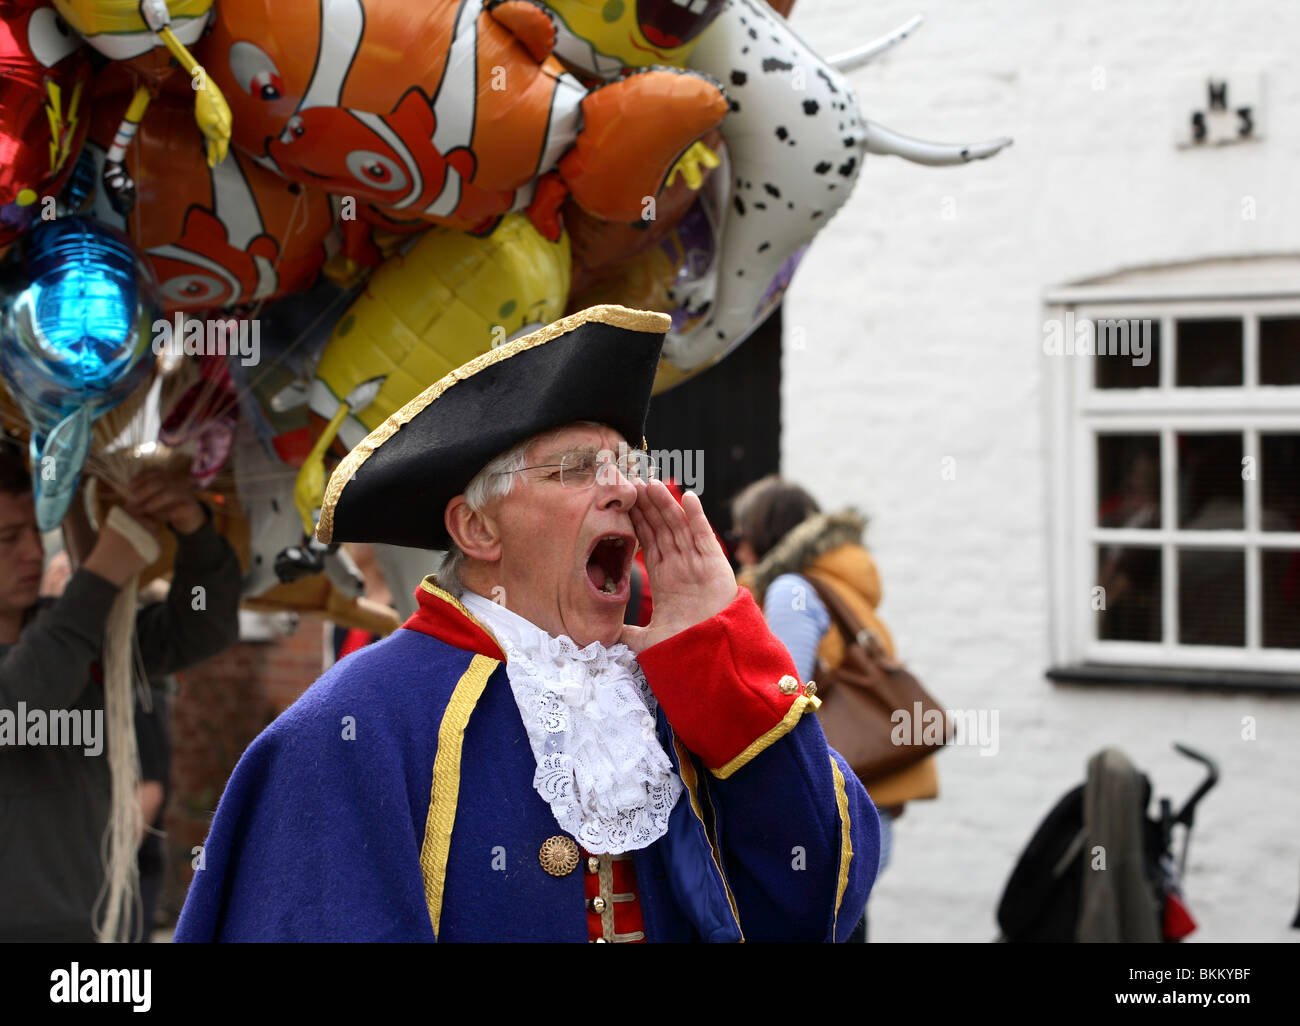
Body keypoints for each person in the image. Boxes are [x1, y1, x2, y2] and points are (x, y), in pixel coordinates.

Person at [175, 305, 879, 942]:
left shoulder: (668, 696)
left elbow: (818, 903)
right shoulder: (353, 725)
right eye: (576, 469)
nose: (625, 489)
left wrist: (719, 655)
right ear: (477, 527)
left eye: (628, 465)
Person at [0, 451, 243, 942]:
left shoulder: (72, 632)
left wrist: (192, 529)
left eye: (34, 531)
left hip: (105, 927)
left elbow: (201, 628)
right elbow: (20, 708)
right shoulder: (68, 634)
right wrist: (103, 572)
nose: (32, 552)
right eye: (8, 539)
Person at [730, 475, 940, 941]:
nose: (737, 549)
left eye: (741, 535)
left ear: (765, 534)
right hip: (869, 796)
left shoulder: (789, 590)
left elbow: (782, 699)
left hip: (836, 802)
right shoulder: (840, 583)